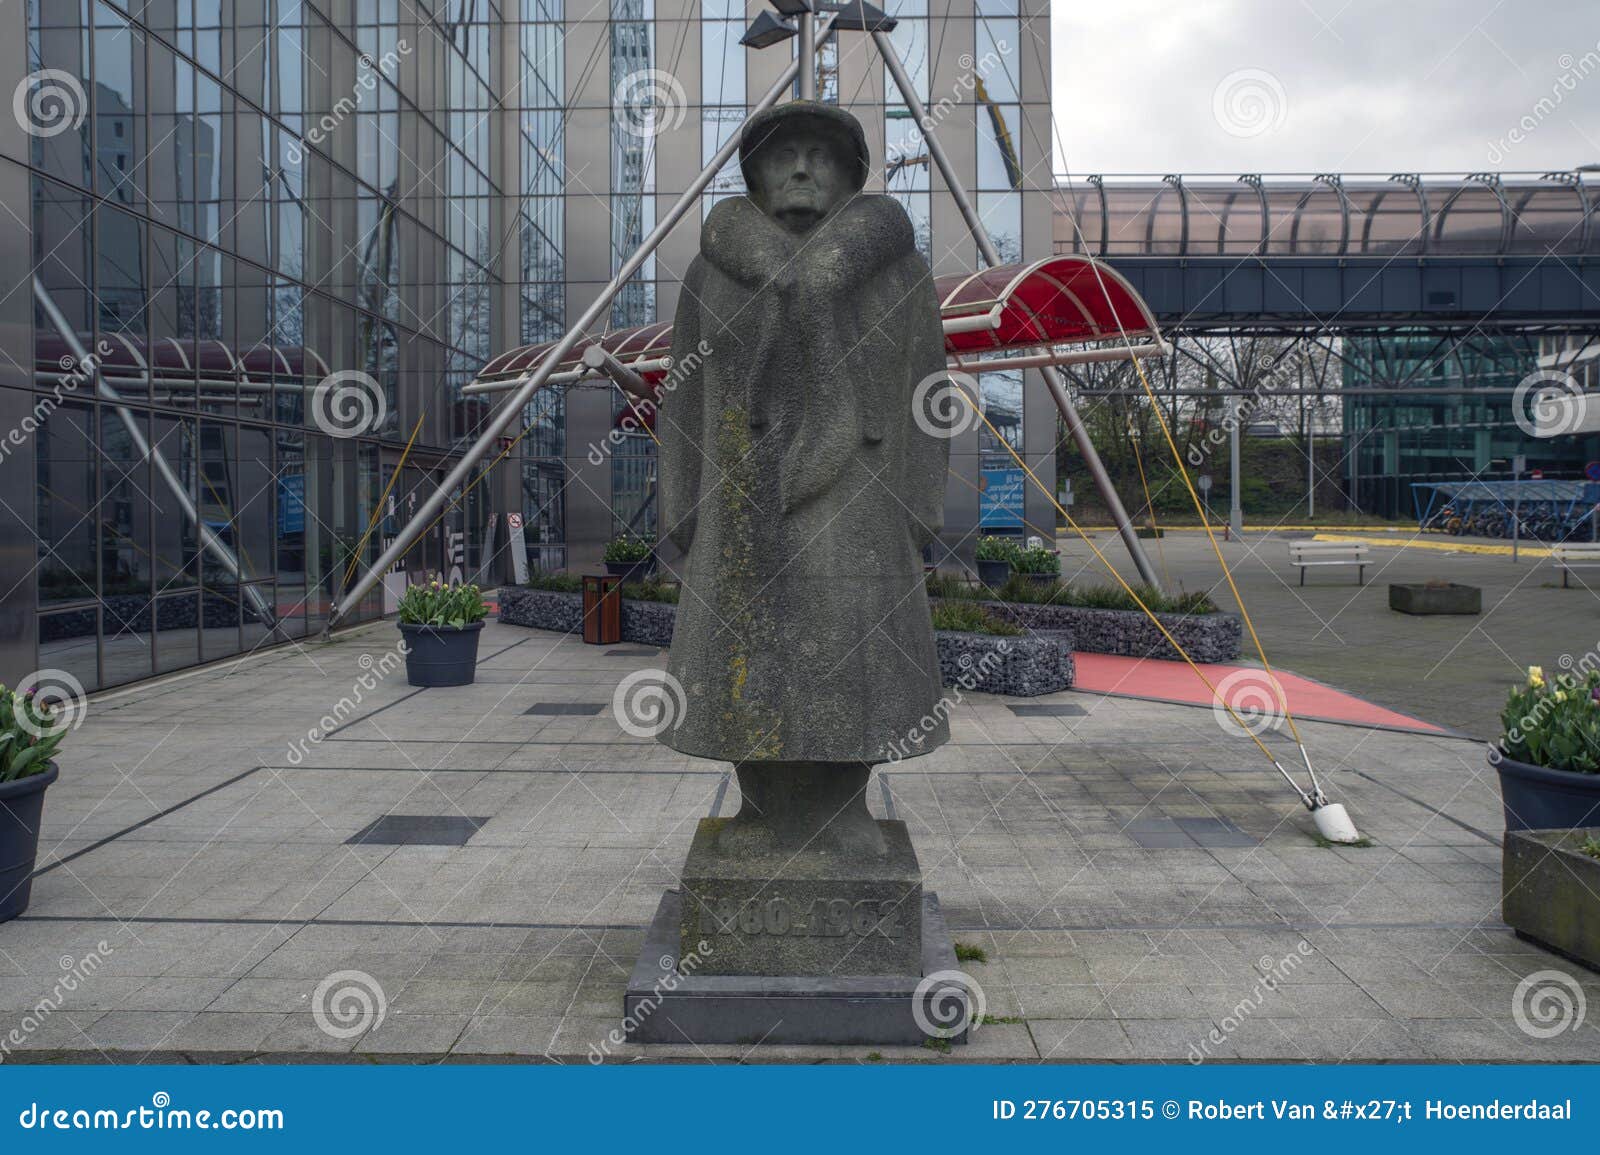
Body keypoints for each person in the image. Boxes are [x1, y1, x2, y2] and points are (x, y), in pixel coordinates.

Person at [656, 100, 950, 856]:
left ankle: (842, 811)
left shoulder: (899, 274)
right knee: (749, 665)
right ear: (752, 174)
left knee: (851, 658)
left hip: (861, 501)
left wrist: (919, 504)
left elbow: (929, 389)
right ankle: (763, 810)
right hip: (742, 503)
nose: (800, 167)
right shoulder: (711, 276)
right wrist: (682, 502)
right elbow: (683, 397)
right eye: (783, 154)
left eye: (822, 154)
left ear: (851, 176)